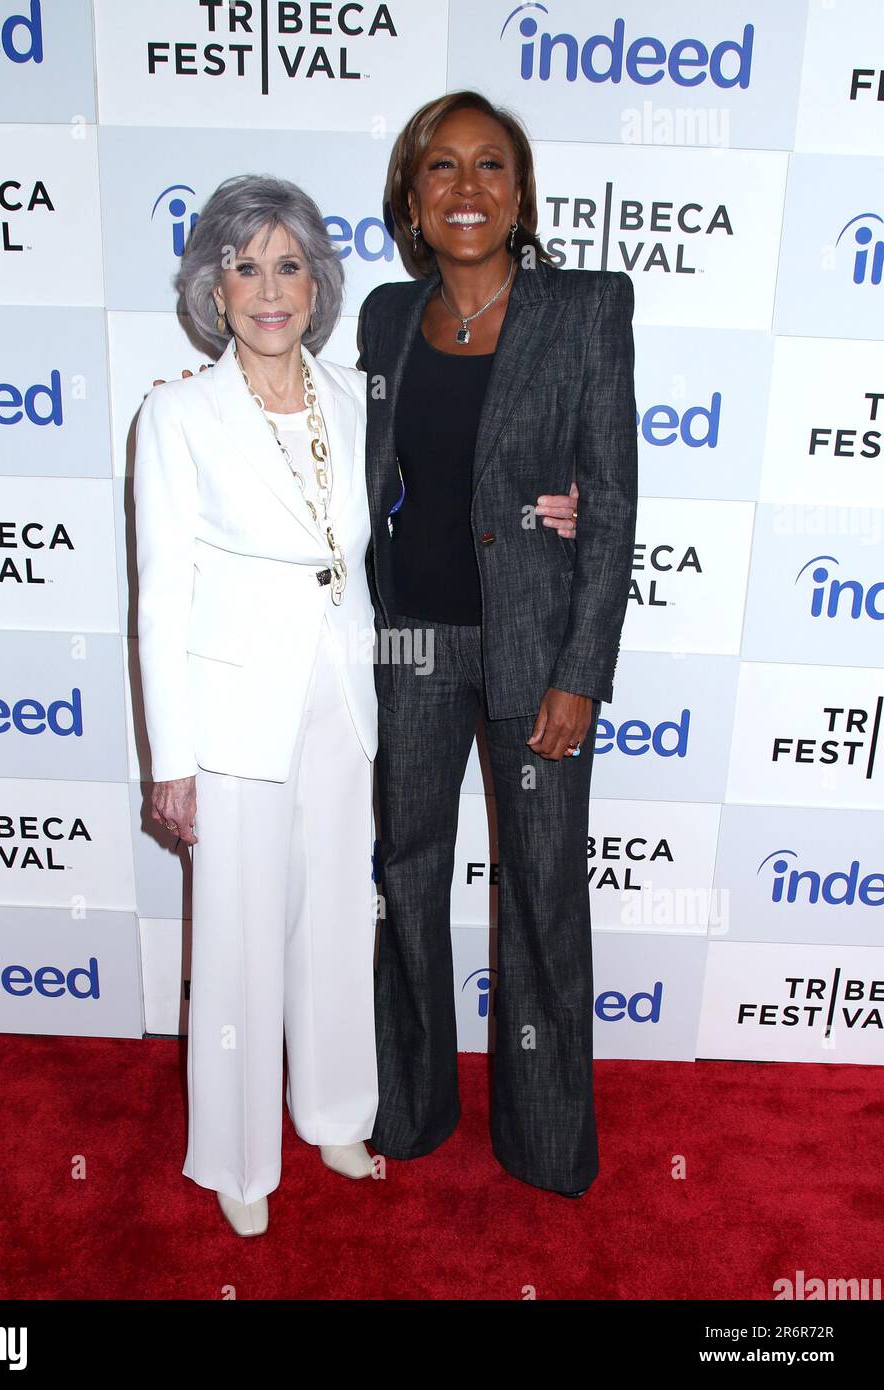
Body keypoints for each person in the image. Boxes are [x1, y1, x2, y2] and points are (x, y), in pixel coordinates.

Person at [137, 172, 583, 1238]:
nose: (268, 288)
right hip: (236, 713)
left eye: (288, 264)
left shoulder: (353, 394)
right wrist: (172, 755)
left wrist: (541, 505)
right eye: (244, 268)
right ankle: (237, 1157)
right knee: (239, 940)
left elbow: (442, 483)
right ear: (212, 291)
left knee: (343, 917)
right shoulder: (177, 413)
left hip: (348, 696)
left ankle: (337, 1108)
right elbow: (159, 591)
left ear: (318, 283)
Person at [357, 91, 638, 1196]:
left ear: (519, 195)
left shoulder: (584, 309)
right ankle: (411, 1106)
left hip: (534, 649)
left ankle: (548, 1139)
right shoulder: (385, 317)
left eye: (489, 166)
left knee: (540, 891)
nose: (464, 188)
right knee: (406, 877)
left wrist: (581, 670)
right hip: (411, 642)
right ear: (412, 199)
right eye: (441, 168)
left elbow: (609, 501)